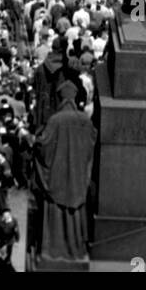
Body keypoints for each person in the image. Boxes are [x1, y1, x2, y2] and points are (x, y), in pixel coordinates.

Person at [32, 82, 97, 267]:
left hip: (57, 177)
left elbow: (44, 148)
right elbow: (92, 142)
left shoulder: (55, 120)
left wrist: (34, 141)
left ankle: (52, 252)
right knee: (75, 215)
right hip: (77, 177)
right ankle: (76, 252)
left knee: (57, 217)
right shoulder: (85, 121)